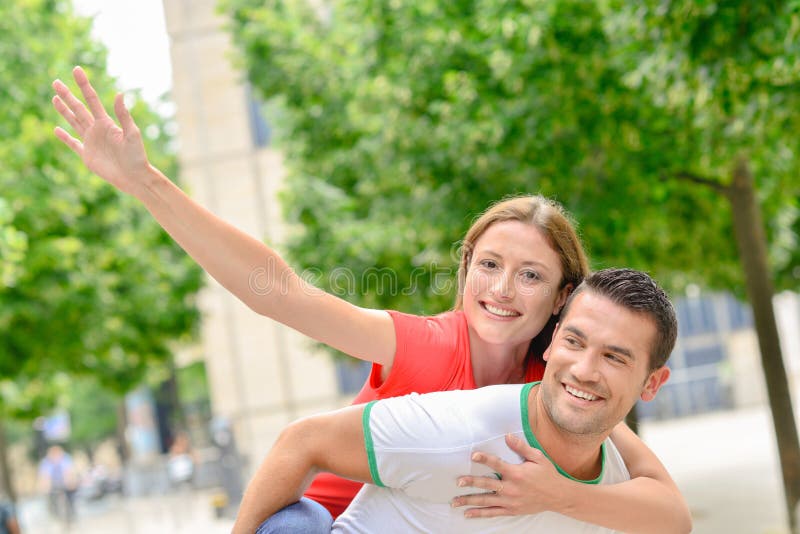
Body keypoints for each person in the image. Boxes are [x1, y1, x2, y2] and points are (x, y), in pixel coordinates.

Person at [51, 67, 690, 533]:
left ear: (562, 297)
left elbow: (661, 499)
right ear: (464, 270)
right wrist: (145, 182)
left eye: (529, 275)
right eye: (488, 265)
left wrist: (558, 494)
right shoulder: (426, 342)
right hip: (319, 524)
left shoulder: (557, 382)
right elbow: (279, 294)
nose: (500, 289)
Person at [233, 268, 683, 533]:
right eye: (574, 342)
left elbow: (675, 519)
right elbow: (302, 440)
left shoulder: (614, 476)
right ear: (550, 345)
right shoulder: (465, 432)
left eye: (614, 357)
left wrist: (557, 495)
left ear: (651, 383)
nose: (585, 370)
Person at [38, 445, 79, 522]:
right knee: (51, 499)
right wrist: (45, 487)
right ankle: (55, 513)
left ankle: (72, 514)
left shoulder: (66, 458)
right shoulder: (46, 462)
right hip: (54, 484)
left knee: (71, 496)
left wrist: (71, 482)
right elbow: (45, 476)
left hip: (65, 482)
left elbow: (69, 471)